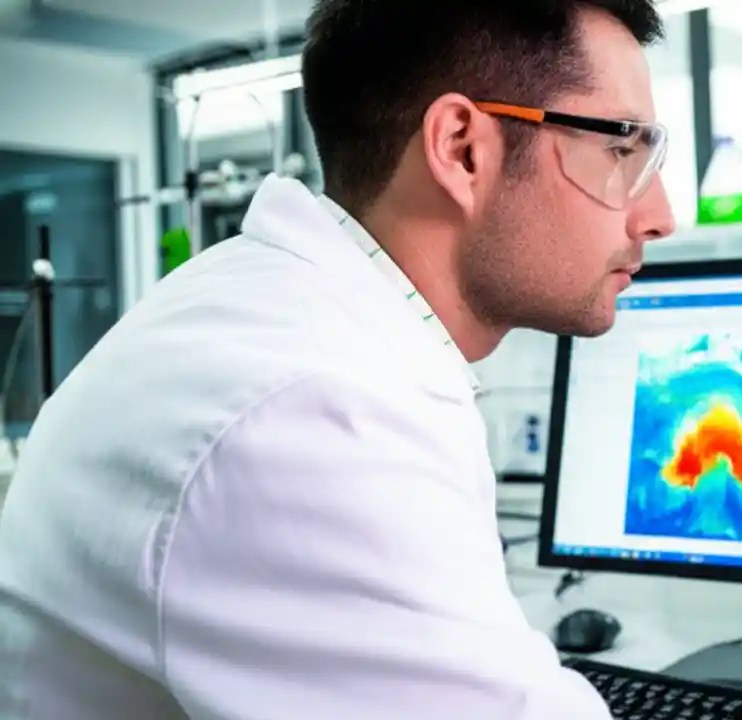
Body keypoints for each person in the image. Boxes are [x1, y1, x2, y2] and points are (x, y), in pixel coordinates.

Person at [0, 0, 675, 717]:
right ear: (462, 147)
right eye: (622, 148)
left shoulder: (286, 316)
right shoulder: (313, 410)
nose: (660, 214)